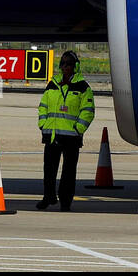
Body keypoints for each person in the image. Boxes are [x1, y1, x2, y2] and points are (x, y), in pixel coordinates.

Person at [37, 50, 95, 211]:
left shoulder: (83, 87)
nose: (65, 67)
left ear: (75, 66)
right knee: (49, 170)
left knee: (68, 172)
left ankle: (65, 201)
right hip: (52, 133)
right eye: (62, 63)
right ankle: (48, 196)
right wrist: (43, 123)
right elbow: (43, 106)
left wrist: (78, 129)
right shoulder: (53, 84)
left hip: (71, 137)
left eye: (68, 63)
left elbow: (88, 110)